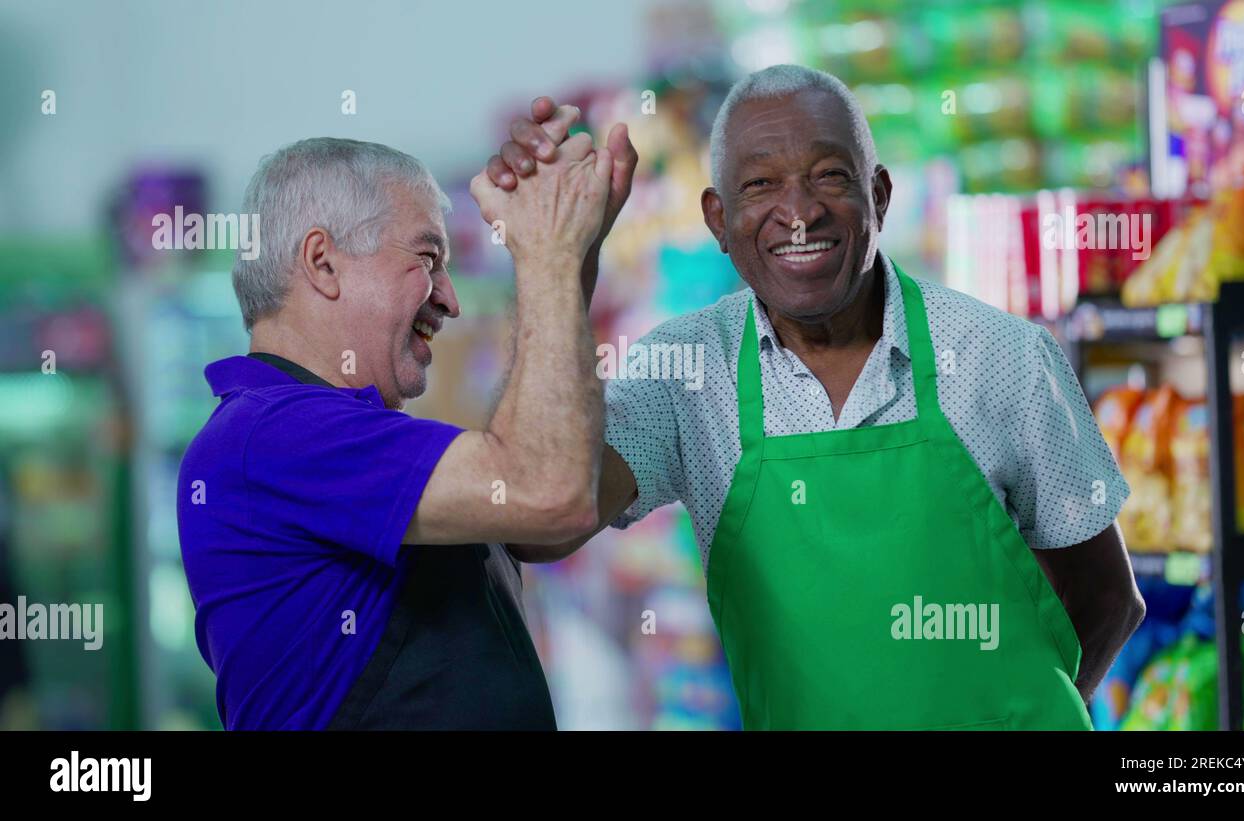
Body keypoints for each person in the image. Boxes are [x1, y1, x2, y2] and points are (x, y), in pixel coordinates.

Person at [487, 65, 1147, 730]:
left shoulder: (1001, 356)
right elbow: (538, 520)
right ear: (718, 218)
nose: (799, 212)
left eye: (830, 175)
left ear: (879, 196)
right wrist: (559, 264)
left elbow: (1109, 598)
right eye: (761, 184)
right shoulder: (687, 374)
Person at [177, 129, 627, 729]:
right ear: (323, 262)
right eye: (427, 258)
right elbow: (548, 494)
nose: (450, 299)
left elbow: (541, 517)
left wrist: (577, 247)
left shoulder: (353, 436)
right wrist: (547, 253)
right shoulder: (271, 435)